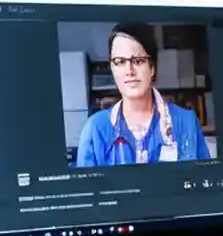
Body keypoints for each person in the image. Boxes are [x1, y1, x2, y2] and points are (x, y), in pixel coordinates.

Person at [75, 22, 211, 166]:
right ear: (112, 69)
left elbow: (206, 183)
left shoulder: (186, 122)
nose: (130, 71)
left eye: (138, 61)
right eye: (120, 62)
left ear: (152, 68)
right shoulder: (95, 129)